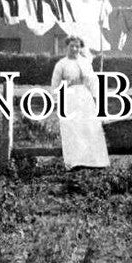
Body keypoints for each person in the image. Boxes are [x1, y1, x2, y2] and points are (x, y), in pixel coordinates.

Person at [50, 36, 109, 170]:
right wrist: (57, 101)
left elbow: (93, 82)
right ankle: (75, 162)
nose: (75, 49)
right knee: (73, 130)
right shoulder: (61, 64)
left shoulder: (85, 62)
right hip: (70, 99)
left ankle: (95, 162)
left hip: (85, 99)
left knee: (90, 127)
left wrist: (97, 99)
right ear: (67, 47)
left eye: (77, 46)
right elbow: (55, 85)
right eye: (72, 46)